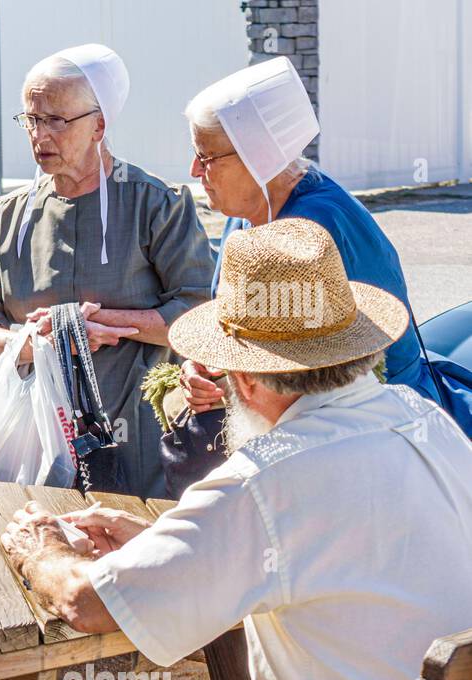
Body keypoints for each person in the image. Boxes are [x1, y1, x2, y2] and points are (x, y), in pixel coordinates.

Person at [0, 218, 472, 680]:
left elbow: (86, 603)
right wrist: (160, 540)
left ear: (246, 381)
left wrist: (38, 552)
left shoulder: (274, 475)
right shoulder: (429, 425)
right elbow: (329, 560)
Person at [0, 44, 214, 498]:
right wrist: (45, 340)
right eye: (31, 119)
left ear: (100, 124)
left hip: (138, 439)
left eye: (57, 119)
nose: (40, 135)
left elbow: (199, 321)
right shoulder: (4, 217)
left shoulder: (156, 206)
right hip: (29, 442)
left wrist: (106, 324)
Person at [179, 56, 472, 437]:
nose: (194, 172)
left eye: (206, 157)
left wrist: (235, 385)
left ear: (258, 159)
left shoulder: (316, 228)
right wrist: (199, 367)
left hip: (373, 426)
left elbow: (341, 374)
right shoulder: (251, 209)